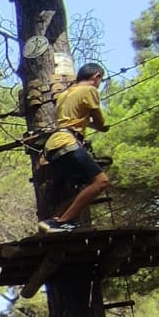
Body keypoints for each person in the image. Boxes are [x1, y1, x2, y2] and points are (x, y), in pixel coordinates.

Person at [37, 62, 110, 232]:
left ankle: (52, 221)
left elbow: (72, 118)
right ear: (96, 76)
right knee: (101, 182)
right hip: (68, 142)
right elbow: (100, 122)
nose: (99, 83)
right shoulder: (89, 91)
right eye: (100, 80)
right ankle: (62, 222)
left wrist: (86, 122)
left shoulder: (64, 94)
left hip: (53, 145)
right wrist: (100, 126)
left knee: (81, 187)